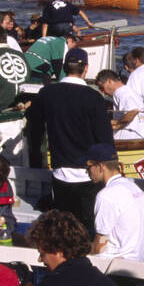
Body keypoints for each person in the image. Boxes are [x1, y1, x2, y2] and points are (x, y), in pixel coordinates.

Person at [24, 47, 114, 232]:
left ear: (64, 67)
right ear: (86, 68)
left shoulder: (48, 93)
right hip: (90, 176)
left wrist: (37, 161)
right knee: (88, 230)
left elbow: (33, 126)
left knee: (63, 231)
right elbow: (105, 141)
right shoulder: (94, 97)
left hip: (60, 175)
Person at [85, 143, 144, 260]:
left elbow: (100, 246)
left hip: (115, 266)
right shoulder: (135, 189)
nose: (86, 172)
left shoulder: (106, 195)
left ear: (100, 166)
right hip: (138, 259)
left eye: (88, 167)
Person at [95, 69, 144, 140]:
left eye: (102, 88)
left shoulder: (120, 92)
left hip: (129, 140)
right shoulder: (129, 91)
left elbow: (133, 110)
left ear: (109, 81)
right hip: (139, 137)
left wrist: (117, 125)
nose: (103, 92)